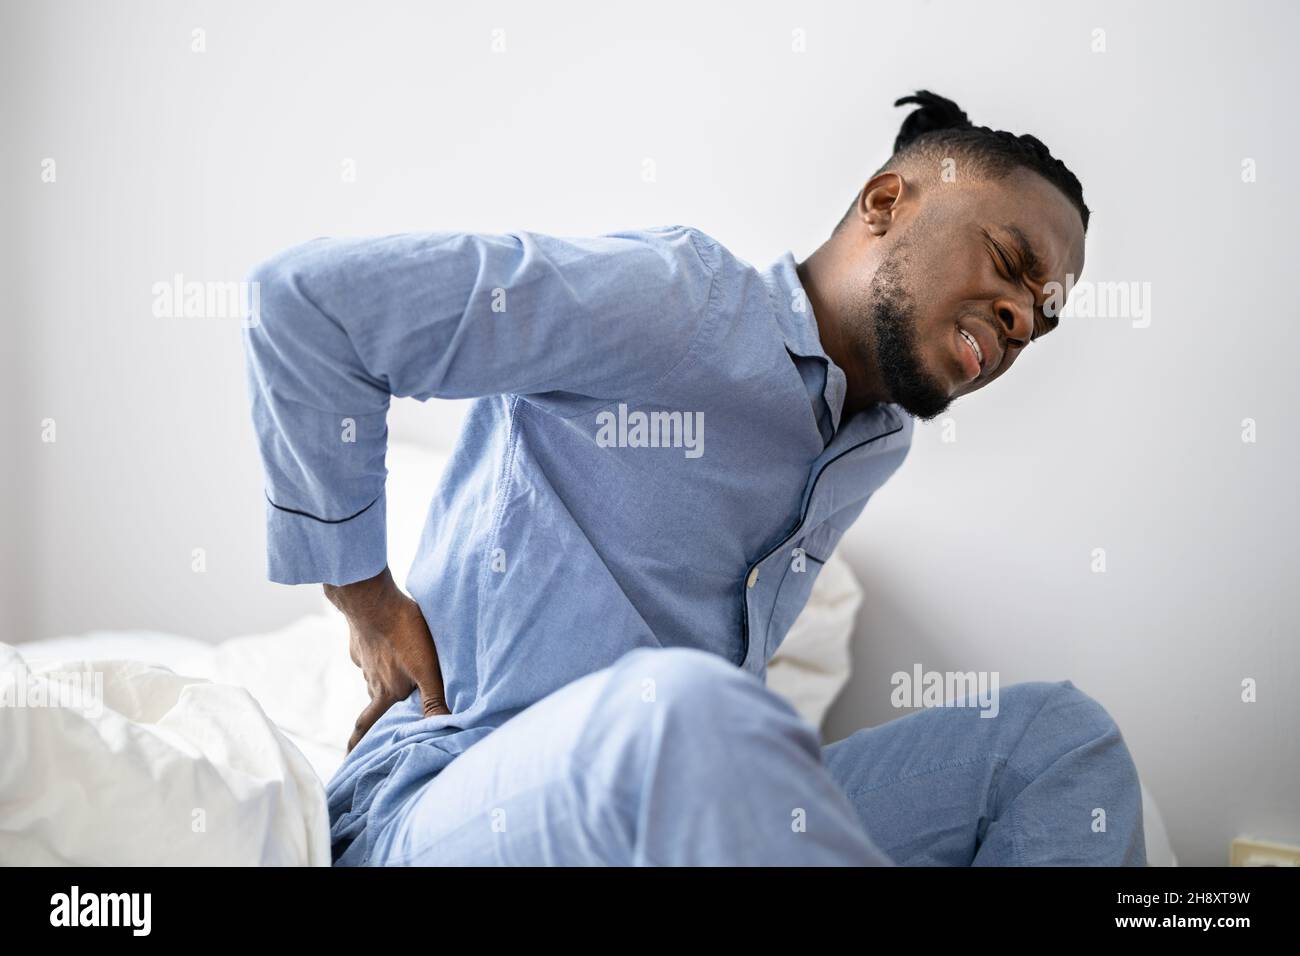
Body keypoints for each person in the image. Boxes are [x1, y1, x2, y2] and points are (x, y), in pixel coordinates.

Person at [242, 90, 1146, 866]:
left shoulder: (876, 441)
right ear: (884, 201)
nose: (1022, 317)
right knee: (681, 707)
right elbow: (310, 306)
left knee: (1055, 740)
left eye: (1042, 315)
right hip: (456, 804)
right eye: (1012, 265)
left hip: (694, 812)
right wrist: (364, 599)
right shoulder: (678, 298)